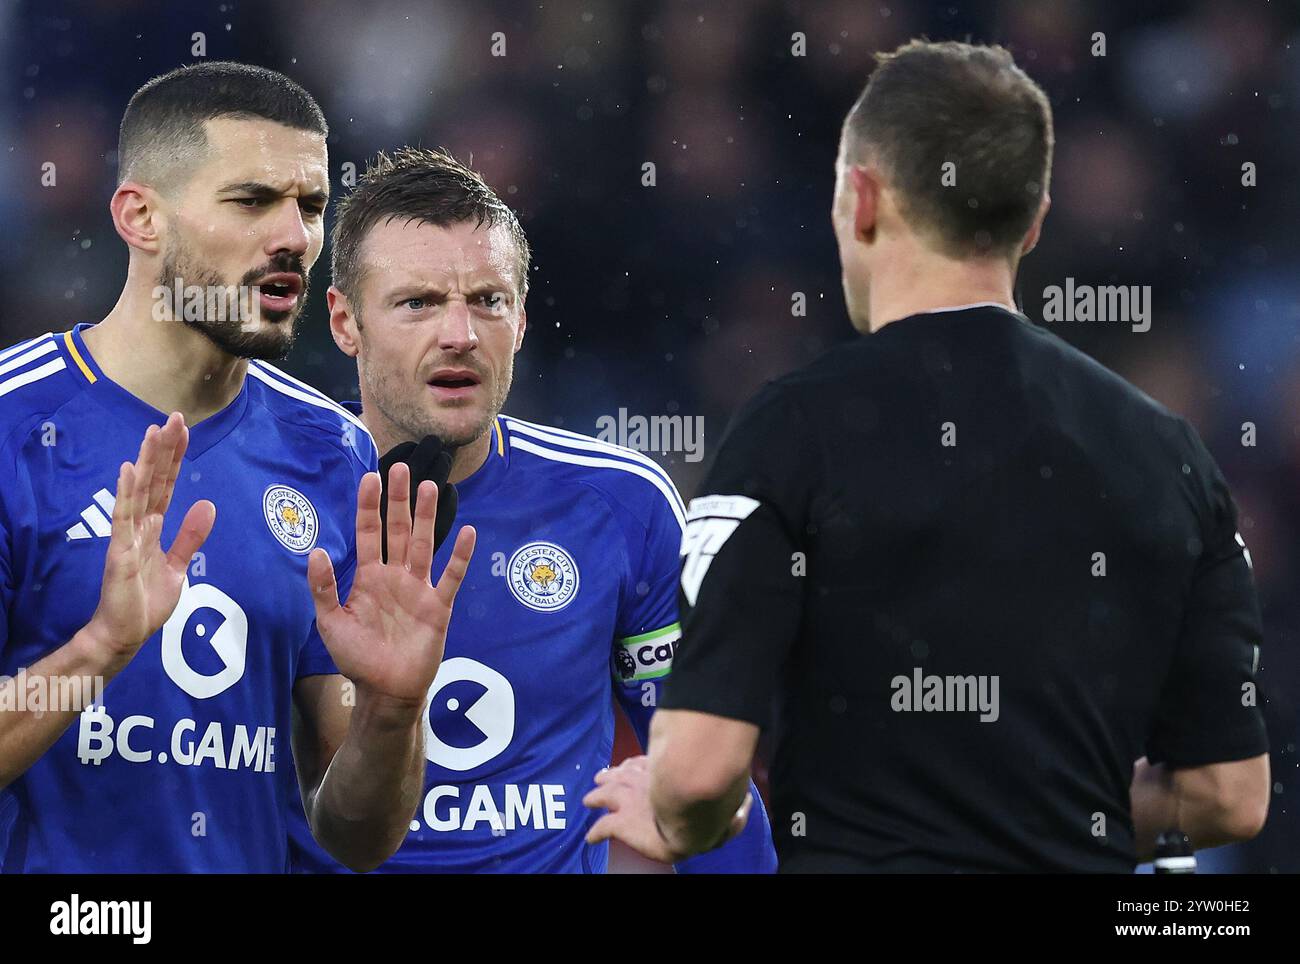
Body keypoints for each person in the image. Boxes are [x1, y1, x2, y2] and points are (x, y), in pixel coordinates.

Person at [583, 39, 1270, 872]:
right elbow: (1233, 795)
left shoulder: (792, 432)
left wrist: (680, 816)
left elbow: (698, 774)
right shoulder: (1172, 454)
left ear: (861, 198)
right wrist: (1045, 819)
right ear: (1036, 217)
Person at [0, 62, 475, 873]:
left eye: (312, 206)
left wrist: (393, 713)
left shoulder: (332, 450)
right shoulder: (14, 426)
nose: (295, 237)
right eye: (252, 201)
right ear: (141, 216)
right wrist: (100, 648)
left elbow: (354, 837)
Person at [287, 147, 776, 873]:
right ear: (345, 321)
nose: (460, 333)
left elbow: (701, 779)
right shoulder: (276, 503)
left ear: (519, 322)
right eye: (417, 302)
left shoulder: (622, 504)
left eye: (488, 300)